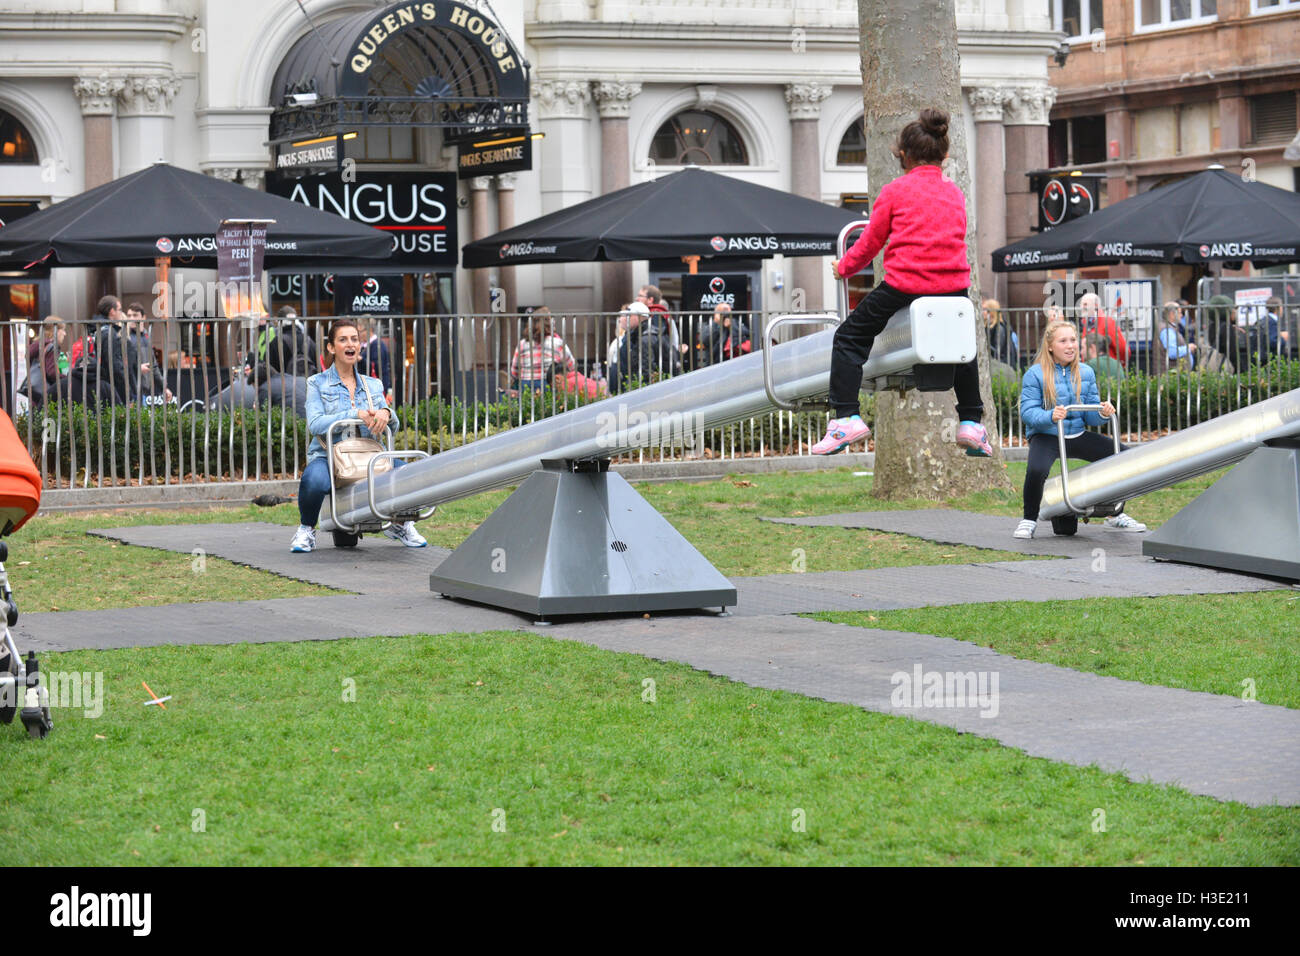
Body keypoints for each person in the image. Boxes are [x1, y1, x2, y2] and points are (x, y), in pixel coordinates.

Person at [816, 108, 991, 457]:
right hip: (954, 287)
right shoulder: (955, 193)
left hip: (906, 284)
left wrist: (844, 269)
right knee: (962, 346)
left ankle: (846, 417)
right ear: (943, 154)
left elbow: (870, 242)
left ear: (903, 155)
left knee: (849, 338)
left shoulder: (895, 191)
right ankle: (971, 423)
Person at [291, 317, 427, 554]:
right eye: (343, 340)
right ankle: (306, 530)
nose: (350, 344)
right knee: (314, 481)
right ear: (332, 348)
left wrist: (386, 413)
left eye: (354, 339)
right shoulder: (317, 383)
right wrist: (354, 413)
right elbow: (315, 424)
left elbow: (391, 428)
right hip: (330, 455)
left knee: (410, 475)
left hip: (369, 456)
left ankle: (400, 525)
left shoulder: (372, 384)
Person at [1015, 320, 1146, 539]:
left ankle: (1114, 514)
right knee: (1037, 470)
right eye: (1063, 341)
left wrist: (1103, 412)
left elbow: (1090, 414)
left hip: (1077, 433)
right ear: (1050, 346)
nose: (1070, 346)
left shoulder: (1086, 372)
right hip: (1048, 435)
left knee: (1123, 457)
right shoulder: (1035, 374)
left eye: (1073, 340)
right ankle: (1029, 519)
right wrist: (1050, 416)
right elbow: (1027, 412)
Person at [611, 300, 675, 394]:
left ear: (638, 317)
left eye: (629, 315)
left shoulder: (646, 338)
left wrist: (633, 392)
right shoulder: (638, 336)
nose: (626, 318)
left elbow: (646, 372)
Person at [509, 307, 576, 390]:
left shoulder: (522, 344)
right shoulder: (557, 343)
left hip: (526, 385)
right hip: (549, 384)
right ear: (549, 323)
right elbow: (572, 366)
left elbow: (514, 371)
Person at [124, 302, 171, 402]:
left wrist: (164, 387)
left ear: (143, 317)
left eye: (135, 315)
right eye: (129, 315)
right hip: (128, 390)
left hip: (143, 391)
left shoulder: (146, 335)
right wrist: (137, 368)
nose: (131, 318)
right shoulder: (124, 336)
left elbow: (153, 365)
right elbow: (119, 363)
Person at [637, 284, 683, 374]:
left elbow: (653, 343)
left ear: (650, 300)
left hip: (660, 365)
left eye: (640, 296)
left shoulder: (656, 316)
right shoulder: (659, 314)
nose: (637, 299)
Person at [1076, 293, 1129, 366]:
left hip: (1107, 370)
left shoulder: (1107, 322)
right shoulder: (1086, 323)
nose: (1081, 307)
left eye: (1085, 304)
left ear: (1096, 306)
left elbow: (1122, 349)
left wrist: (1116, 366)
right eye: (1081, 304)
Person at [697, 303, 751, 367]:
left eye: (728, 310)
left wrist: (731, 327)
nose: (726, 313)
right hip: (714, 362)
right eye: (723, 310)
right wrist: (718, 323)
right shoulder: (711, 324)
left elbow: (746, 334)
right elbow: (704, 339)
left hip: (733, 361)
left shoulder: (734, 322)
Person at [1154, 300, 1195, 374]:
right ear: (1172, 314)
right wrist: (1188, 348)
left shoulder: (1168, 327)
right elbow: (1172, 352)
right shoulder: (1167, 330)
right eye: (1179, 313)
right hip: (1170, 377)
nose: (1181, 315)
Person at [357, 315, 393, 395]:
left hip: (376, 390)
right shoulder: (363, 345)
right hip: (368, 388)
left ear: (369, 330)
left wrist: (360, 360)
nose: (358, 334)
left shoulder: (378, 345)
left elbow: (377, 368)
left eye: (360, 331)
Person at [982, 298, 1018, 367]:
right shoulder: (988, 326)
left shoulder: (999, 328)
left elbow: (998, 351)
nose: (982, 312)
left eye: (984, 309)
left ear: (991, 311)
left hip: (1002, 365)